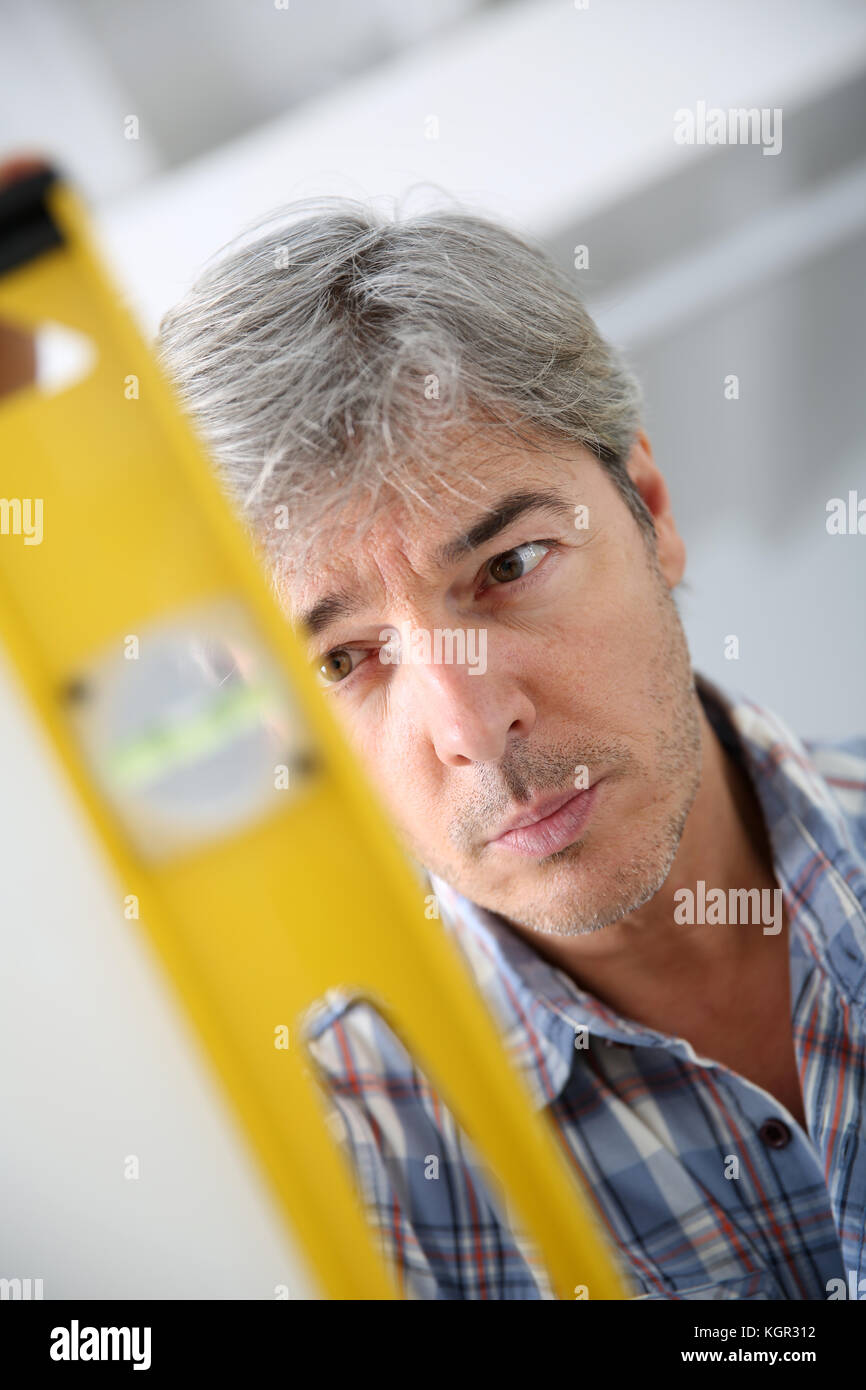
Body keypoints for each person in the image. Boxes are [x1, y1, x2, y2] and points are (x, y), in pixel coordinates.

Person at [156, 198, 866, 1301]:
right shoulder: (338, 1181)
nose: (473, 727)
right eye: (344, 661)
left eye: (507, 565)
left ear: (645, 505)